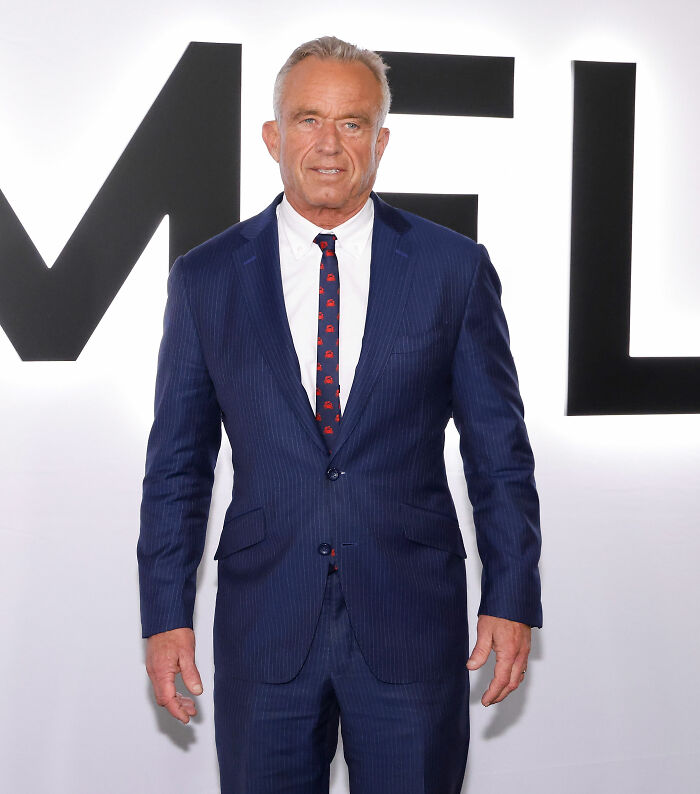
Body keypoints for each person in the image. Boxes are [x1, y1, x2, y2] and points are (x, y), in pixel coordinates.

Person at [138, 35, 542, 793]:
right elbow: (178, 466)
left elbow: (499, 453)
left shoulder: (453, 270)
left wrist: (512, 594)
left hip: (412, 625)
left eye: (352, 123)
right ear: (273, 135)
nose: (329, 144)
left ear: (381, 140)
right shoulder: (207, 278)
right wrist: (165, 615)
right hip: (266, 627)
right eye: (308, 119)